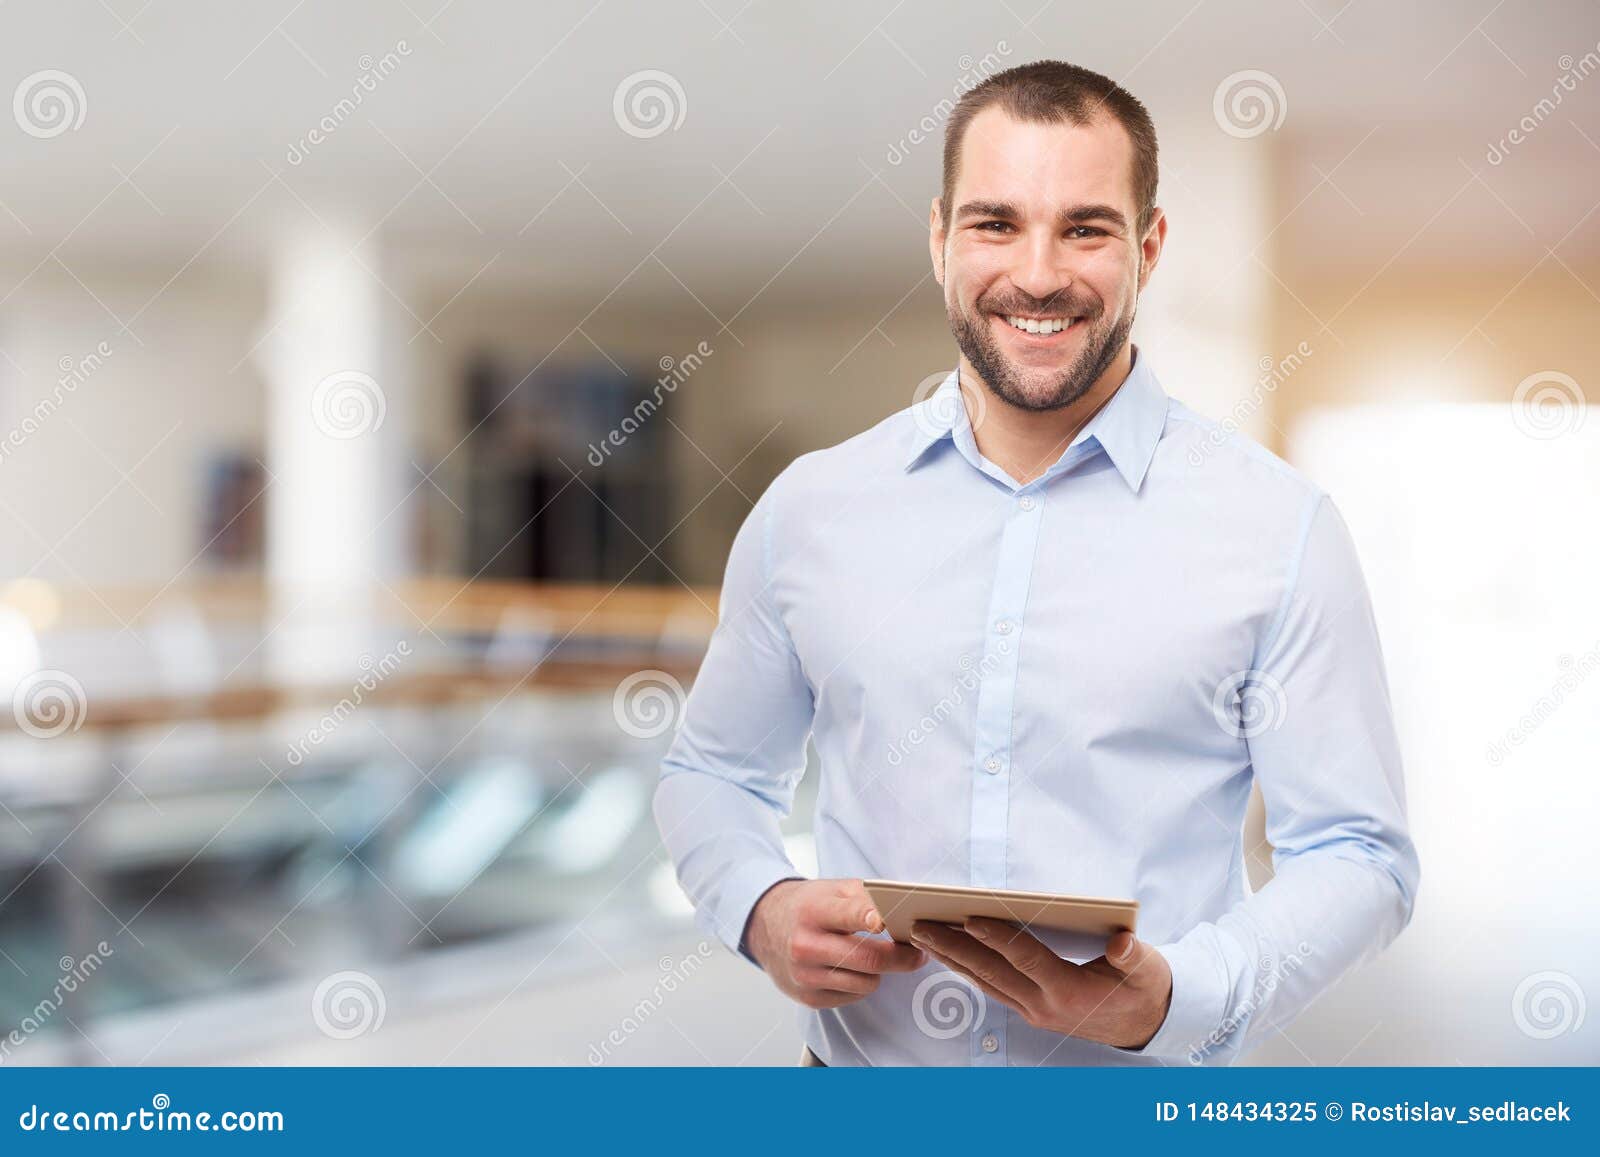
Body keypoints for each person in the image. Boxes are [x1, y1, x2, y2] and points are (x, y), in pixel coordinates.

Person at [653, 59, 1419, 1066]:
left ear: (1148, 246)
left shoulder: (1280, 527)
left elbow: (1359, 854)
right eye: (996, 223)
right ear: (940, 239)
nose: (1041, 273)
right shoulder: (809, 510)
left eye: (1086, 228)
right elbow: (712, 770)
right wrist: (762, 905)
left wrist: (1181, 995)